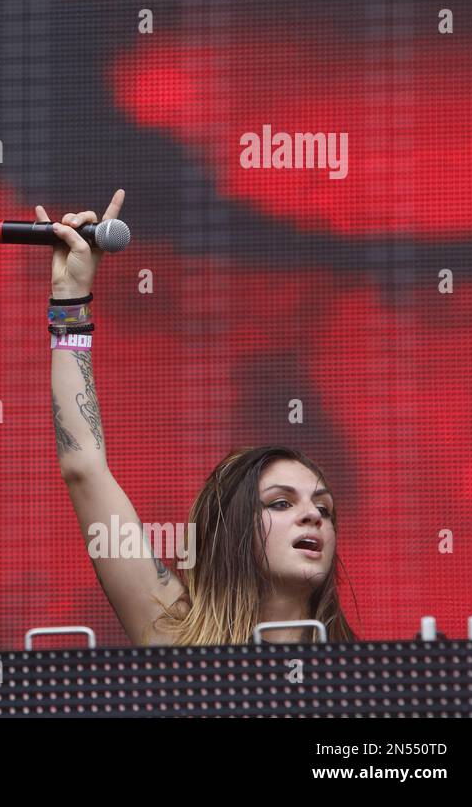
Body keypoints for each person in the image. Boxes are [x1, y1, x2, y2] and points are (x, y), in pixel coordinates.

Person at [39, 190, 357, 645]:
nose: (313, 517)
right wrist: (69, 298)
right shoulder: (179, 637)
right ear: (232, 531)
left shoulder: (366, 676)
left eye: (323, 508)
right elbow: (84, 467)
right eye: (282, 503)